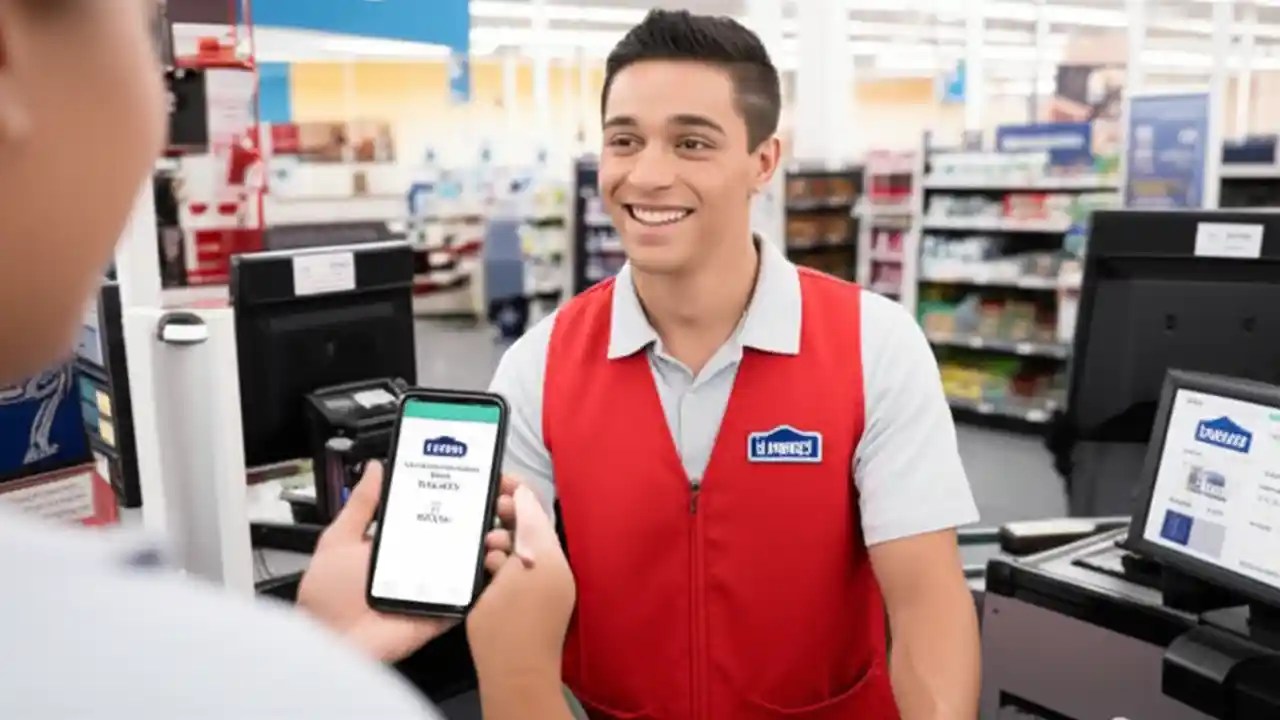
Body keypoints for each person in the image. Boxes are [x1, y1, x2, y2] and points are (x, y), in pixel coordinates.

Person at [0, 1, 576, 717]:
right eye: (144, 34)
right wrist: (521, 678)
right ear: (10, 54)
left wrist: (321, 648)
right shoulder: (149, 667)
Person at [490, 9, 982, 719]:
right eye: (625, 140)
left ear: (763, 162)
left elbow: (928, 602)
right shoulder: (541, 366)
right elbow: (513, 615)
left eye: (692, 142)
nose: (648, 175)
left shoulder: (873, 347)